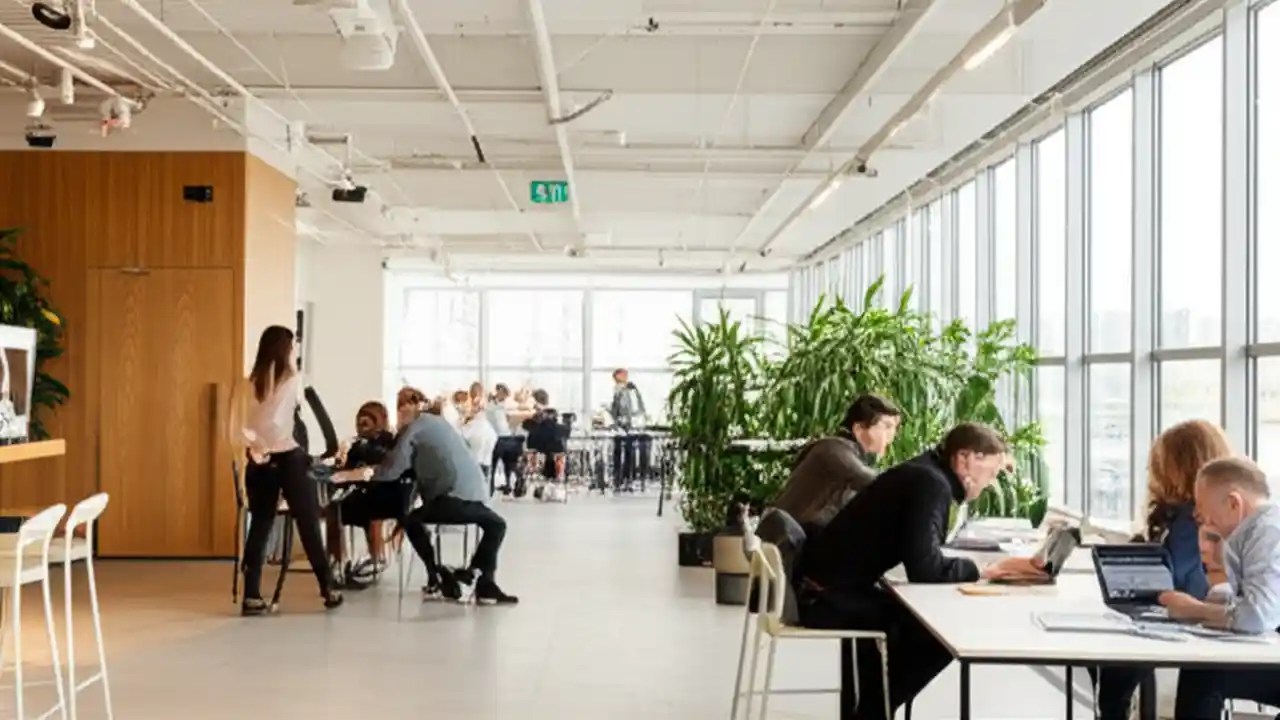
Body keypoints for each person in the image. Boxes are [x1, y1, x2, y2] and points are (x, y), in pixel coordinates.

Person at [796, 423, 1038, 720]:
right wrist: (986, 569)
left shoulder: (924, 473)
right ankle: (874, 712)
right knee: (939, 631)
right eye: (992, 470)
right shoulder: (931, 484)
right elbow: (926, 569)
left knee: (907, 620)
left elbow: (922, 555)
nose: (991, 481)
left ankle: (872, 710)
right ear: (965, 459)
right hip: (825, 598)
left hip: (822, 586)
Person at [1090, 420, 1230, 720]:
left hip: (1195, 619)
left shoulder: (1188, 520)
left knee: (1111, 657)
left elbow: (1179, 583)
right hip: (1204, 616)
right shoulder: (1221, 510)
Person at [1158, 457, 1280, 718]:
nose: (1202, 522)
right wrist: (1219, 599)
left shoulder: (1269, 533)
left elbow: (1258, 616)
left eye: (1205, 514)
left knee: (1205, 672)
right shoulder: (1258, 530)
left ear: (1233, 503)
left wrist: (1196, 610)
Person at [237, 325, 342, 615]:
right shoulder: (294, 382)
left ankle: (251, 595)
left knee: (260, 524)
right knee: (308, 522)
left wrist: (257, 448)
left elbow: (248, 427)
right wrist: (326, 452)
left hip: (259, 460)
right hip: (291, 459)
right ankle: (328, 587)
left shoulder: (251, 383)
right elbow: (314, 420)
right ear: (287, 350)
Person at [374, 399, 519, 605]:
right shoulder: (442, 425)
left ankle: (435, 573)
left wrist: (365, 473)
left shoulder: (413, 430)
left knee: (410, 519)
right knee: (497, 525)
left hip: (451, 501)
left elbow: (392, 471)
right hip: (477, 498)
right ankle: (482, 580)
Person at [771, 394, 902, 531]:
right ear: (859, 429)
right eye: (886, 426)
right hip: (783, 541)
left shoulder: (843, 452)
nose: (891, 435)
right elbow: (870, 480)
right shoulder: (834, 449)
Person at [324, 401, 400, 588]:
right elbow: (348, 470)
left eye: (367, 422)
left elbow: (380, 470)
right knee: (333, 510)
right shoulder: (357, 445)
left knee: (368, 515)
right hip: (360, 496)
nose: (362, 426)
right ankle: (338, 561)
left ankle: (373, 560)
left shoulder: (389, 443)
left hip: (383, 496)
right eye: (360, 422)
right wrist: (341, 459)